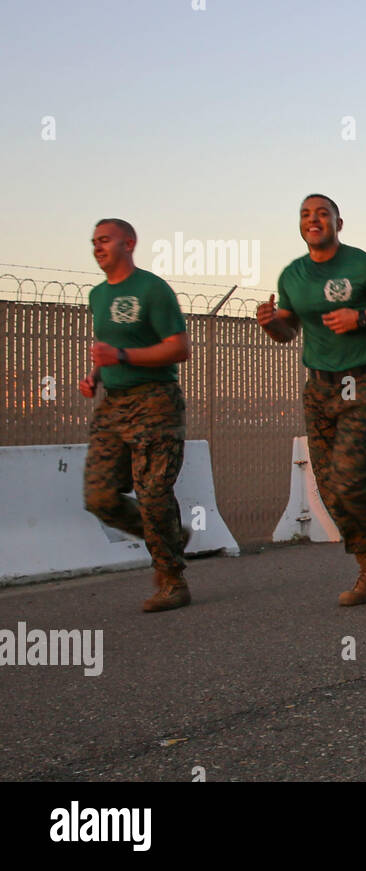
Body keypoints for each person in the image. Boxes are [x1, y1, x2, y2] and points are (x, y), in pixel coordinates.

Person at [257, 194, 366, 606]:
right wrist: (272, 323)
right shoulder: (292, 275)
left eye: (322, 214)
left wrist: (360, 317)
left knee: (350, 479)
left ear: (338, 223)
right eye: (306, 215)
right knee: (330, 488)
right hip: (319, 388)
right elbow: (289, 330)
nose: (314, 220)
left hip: (360, 383)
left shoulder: (364, 265)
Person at [80, 218, 192, 612]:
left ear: (129, 243)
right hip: (113, 402)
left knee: (153, 492)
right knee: (99, 497)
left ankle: (171, 578)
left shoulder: (151, 289)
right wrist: (96, 374)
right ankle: (173, 536)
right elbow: (108, 343)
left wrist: (123, 357)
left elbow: (178, 348)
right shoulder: (97, 295)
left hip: (155, 401)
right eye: (94, 242)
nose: (98, 247)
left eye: (105, 240)